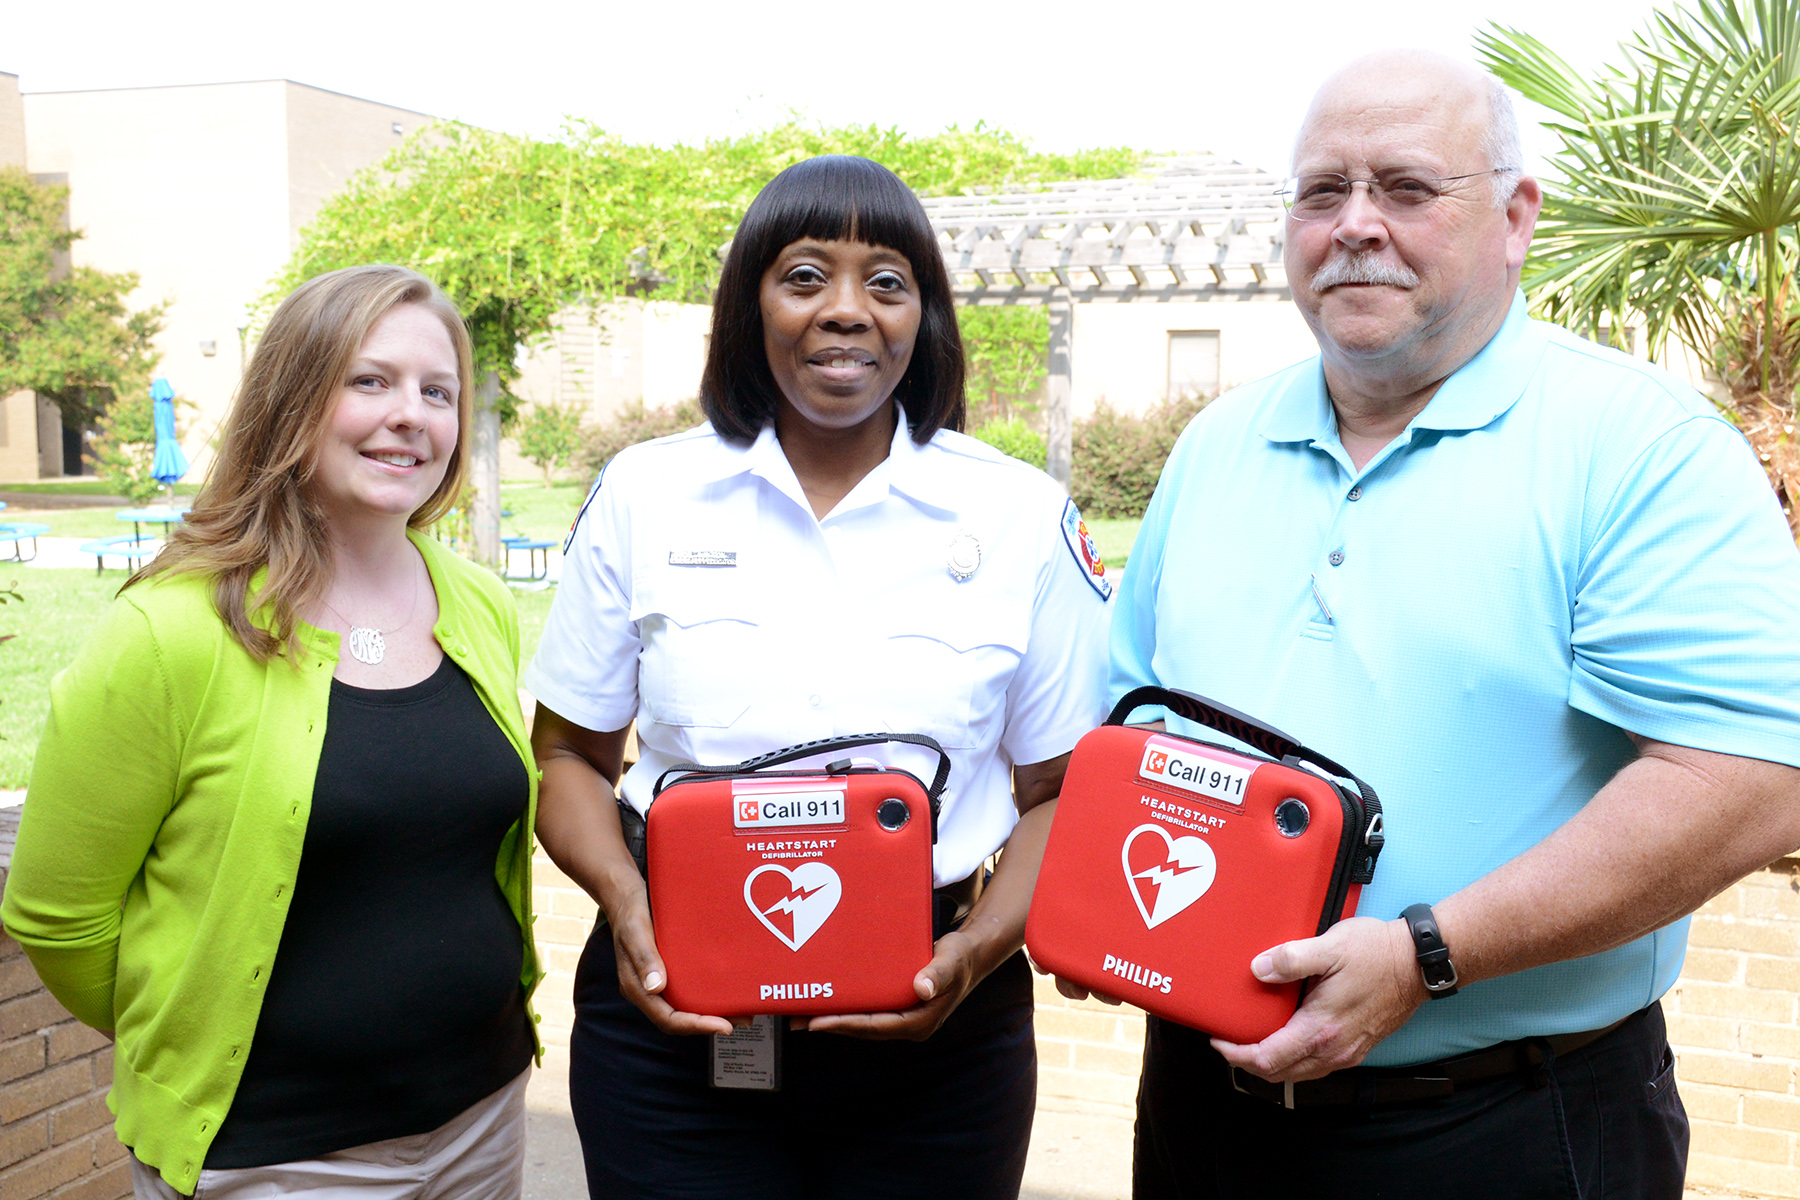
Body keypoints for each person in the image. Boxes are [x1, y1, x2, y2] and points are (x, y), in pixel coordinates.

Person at [1100, 51, 1800, 1199]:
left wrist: (1426, 956)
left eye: (1408, 189)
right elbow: (1128, 718)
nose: (1357, 226)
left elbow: (1754, 777)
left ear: (1516, 216)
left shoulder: (1638, 446)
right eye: (1323, 192)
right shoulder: (1215, 447)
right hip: (1203, 1112)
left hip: (1505, 1122)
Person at [526, 154, 1111, 1199]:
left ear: (922, 318)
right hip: (678, 1017)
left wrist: (971, 955)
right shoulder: (646, 493)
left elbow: (1059, 792)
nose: (847, 310)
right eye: (804, 275)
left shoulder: (1019, 516)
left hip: (940, 1035)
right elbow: (569, 755)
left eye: (886, 281)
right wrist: (624, 906)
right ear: (749, 304)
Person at [1, 264, 542, 1200]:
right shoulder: (170, 634)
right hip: (277, 1157)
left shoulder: (479, 603)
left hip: (483, 1119)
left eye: (437, 390)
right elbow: (57, 915)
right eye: (369, 380)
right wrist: (189, 1027)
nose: (411, 413)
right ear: (293, 398)